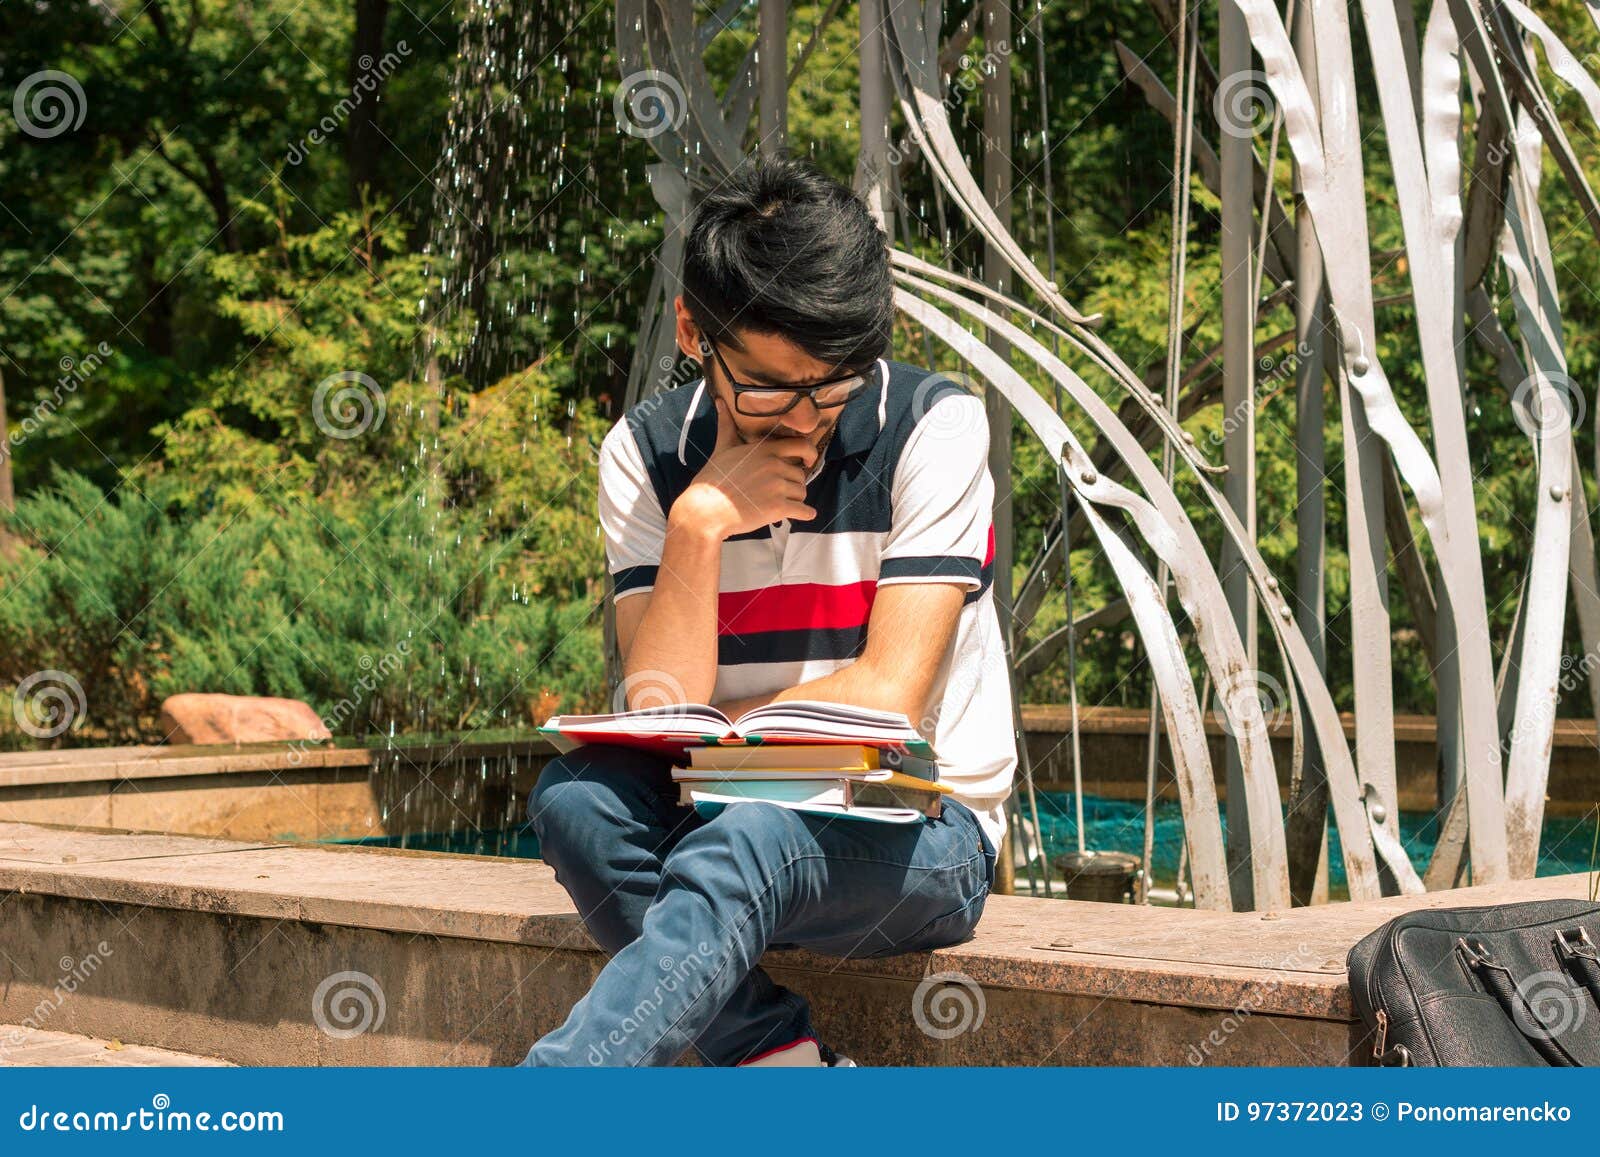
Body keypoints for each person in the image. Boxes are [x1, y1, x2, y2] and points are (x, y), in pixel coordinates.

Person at [520, 153, 1016, 1068]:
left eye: (831, 383)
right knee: (576, 803)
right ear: (692, 333)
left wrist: (716, 739)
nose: (802, 420)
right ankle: (778, 1063)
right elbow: (661, 698)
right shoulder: (643, 454)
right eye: (767, 387)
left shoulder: (935, 427)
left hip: (919, 834)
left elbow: (888, 697)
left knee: (753, 830)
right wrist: (700, 524)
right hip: (723, 817)